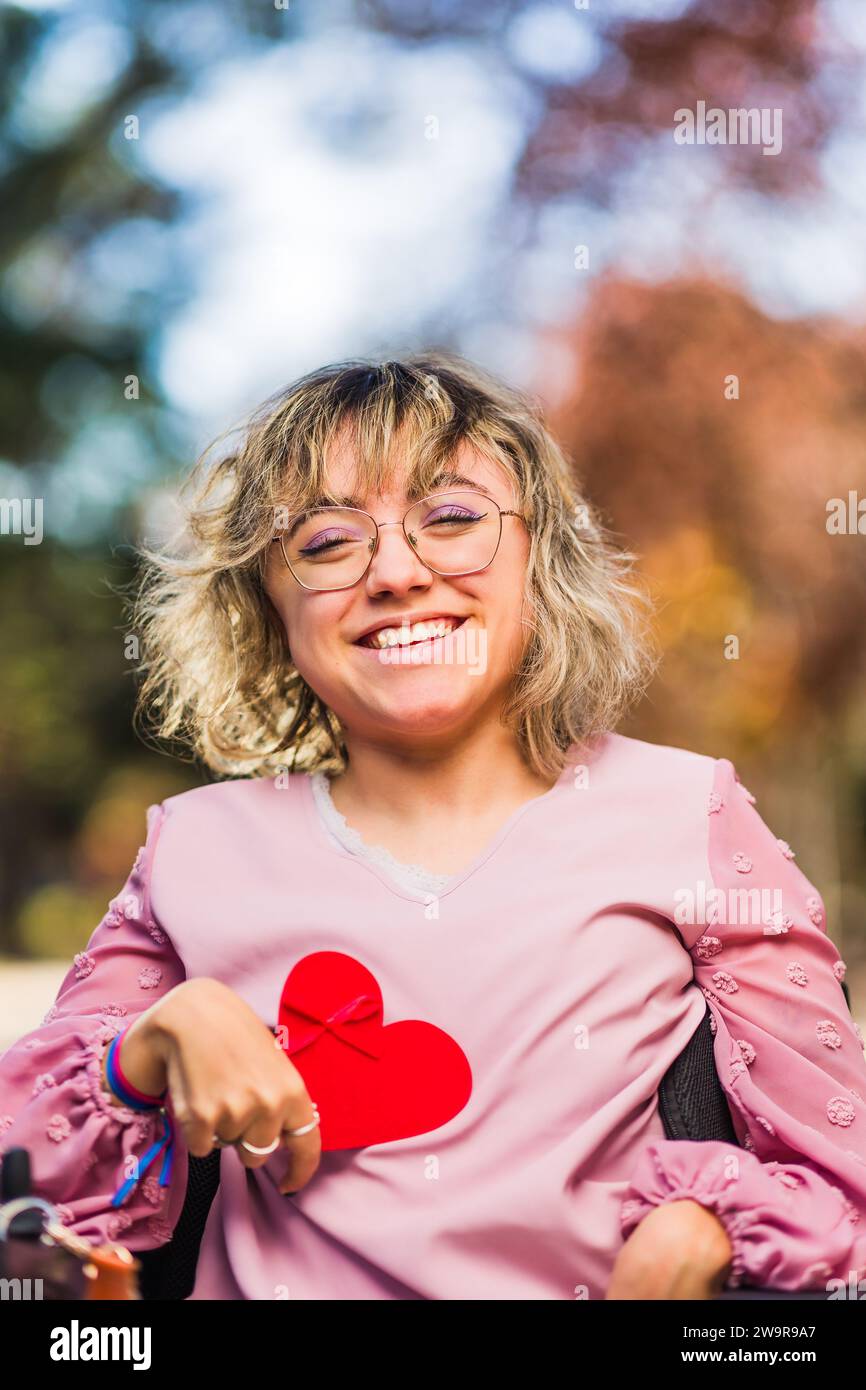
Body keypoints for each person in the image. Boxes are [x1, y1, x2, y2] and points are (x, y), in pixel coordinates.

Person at [2, 353, 865, 1301]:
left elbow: (840, 1171)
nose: (398, 573)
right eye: (327, 542)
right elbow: (26, 1200)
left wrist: (707, 1230)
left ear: (543, 559)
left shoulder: (686, 812)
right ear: (266, 606)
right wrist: (139, 1058)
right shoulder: (194, 851)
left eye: (452, 520)